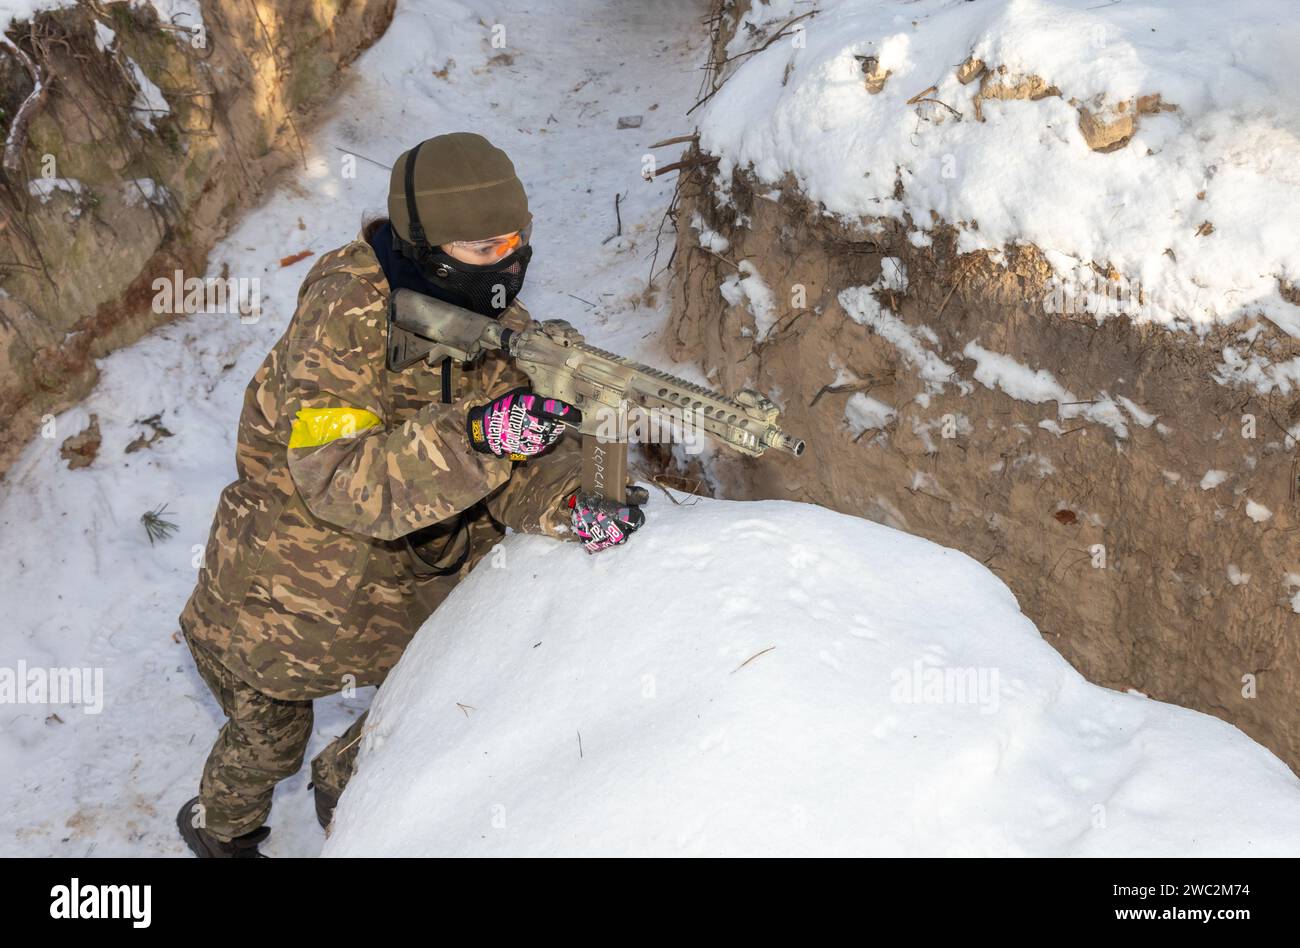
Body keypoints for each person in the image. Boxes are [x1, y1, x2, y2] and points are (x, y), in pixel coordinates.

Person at [175, 132, 647, 857]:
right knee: (268, 743)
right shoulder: (342, 316)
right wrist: (483, 436)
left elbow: (518, 461)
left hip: (408, 592)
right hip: (288, 594)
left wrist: (570, 500)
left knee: (397, 736)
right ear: (422, 245)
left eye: (513, 242)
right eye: (479, 248)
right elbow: (339, 481)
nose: (504, 264)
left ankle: (361, 813)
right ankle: (220, 832)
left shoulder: (498, 328)